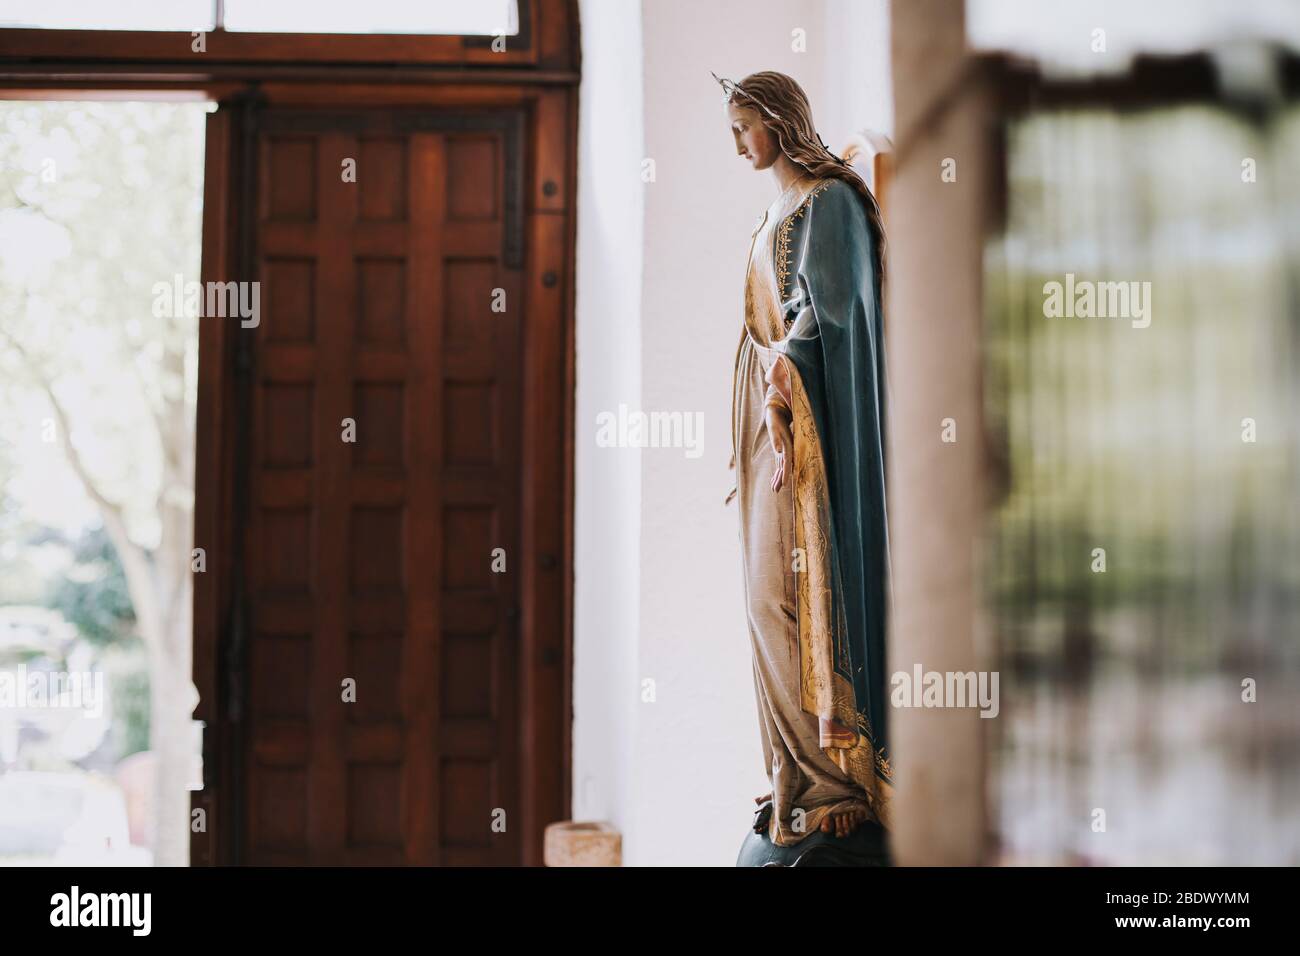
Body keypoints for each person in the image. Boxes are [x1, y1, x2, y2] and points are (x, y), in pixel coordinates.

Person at [719, 70, 893, 846]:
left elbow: (839, 310)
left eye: (745, 126)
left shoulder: (832, 202)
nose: (737, 143)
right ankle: (792, 771)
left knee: (786, 592)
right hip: (765, 424)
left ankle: (834, 777)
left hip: (806, 426)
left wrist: (788, 370)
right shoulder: (773, 210)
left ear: (781, 122)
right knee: (760, 599)